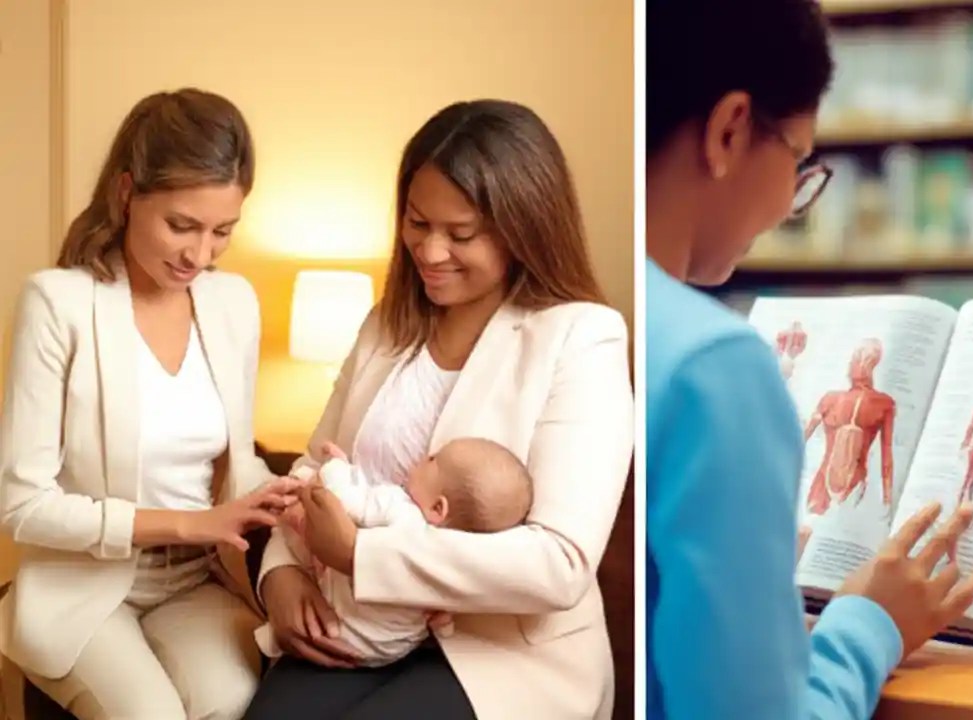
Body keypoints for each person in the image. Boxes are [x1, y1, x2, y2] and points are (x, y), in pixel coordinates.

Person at [645, 1, 973, 718]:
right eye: (800, 161)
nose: (788, 205)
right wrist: (870, 625)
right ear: (729, 130)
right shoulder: (713, 367)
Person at [242, 99, 634, 720]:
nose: (429, 251)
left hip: (502, 654)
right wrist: (281, 577)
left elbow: (559, 564)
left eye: (460, 234)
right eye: (417, 222)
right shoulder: (386, 325)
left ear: (523, 227)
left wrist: (360, 557)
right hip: (362, 627)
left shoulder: (581, 337)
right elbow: (313, 473)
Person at [0, 88, 299, 719]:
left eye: (223, 231)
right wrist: (186, 523)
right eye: (181, 225)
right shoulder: (58, 303)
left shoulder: (233, 302)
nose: (200, 255)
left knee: (236, 702)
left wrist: (296, 488)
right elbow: (20, 505)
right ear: (128, 192)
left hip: (196, 582)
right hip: (82, 586)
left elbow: (236, 464)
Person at [255, 437, 534, 665]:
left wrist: (336, 467)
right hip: (388, 650)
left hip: (340, 626)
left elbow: (344, 499)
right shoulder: (443, 556)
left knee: (308, 507)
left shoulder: (399, 507)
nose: (424, 457)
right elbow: (442, 619)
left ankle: (267, 640)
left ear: (438, 507)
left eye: (433, 459)